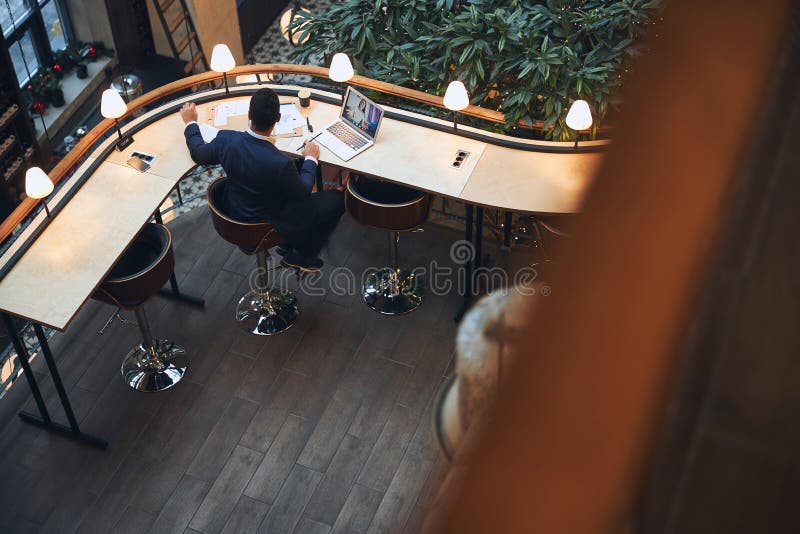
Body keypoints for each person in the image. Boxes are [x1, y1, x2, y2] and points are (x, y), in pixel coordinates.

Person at [180, 88, 344, 272]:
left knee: (296, 169)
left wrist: (190, 123)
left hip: (233, 210)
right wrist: (311, 159)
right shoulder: (280, 163)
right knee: (336, 200)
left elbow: (198, 153)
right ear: (278, 118)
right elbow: (304, 191)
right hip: (261, 224)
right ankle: (301, 254)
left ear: (249, 115)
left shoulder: (226, 140)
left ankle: (290, 244)